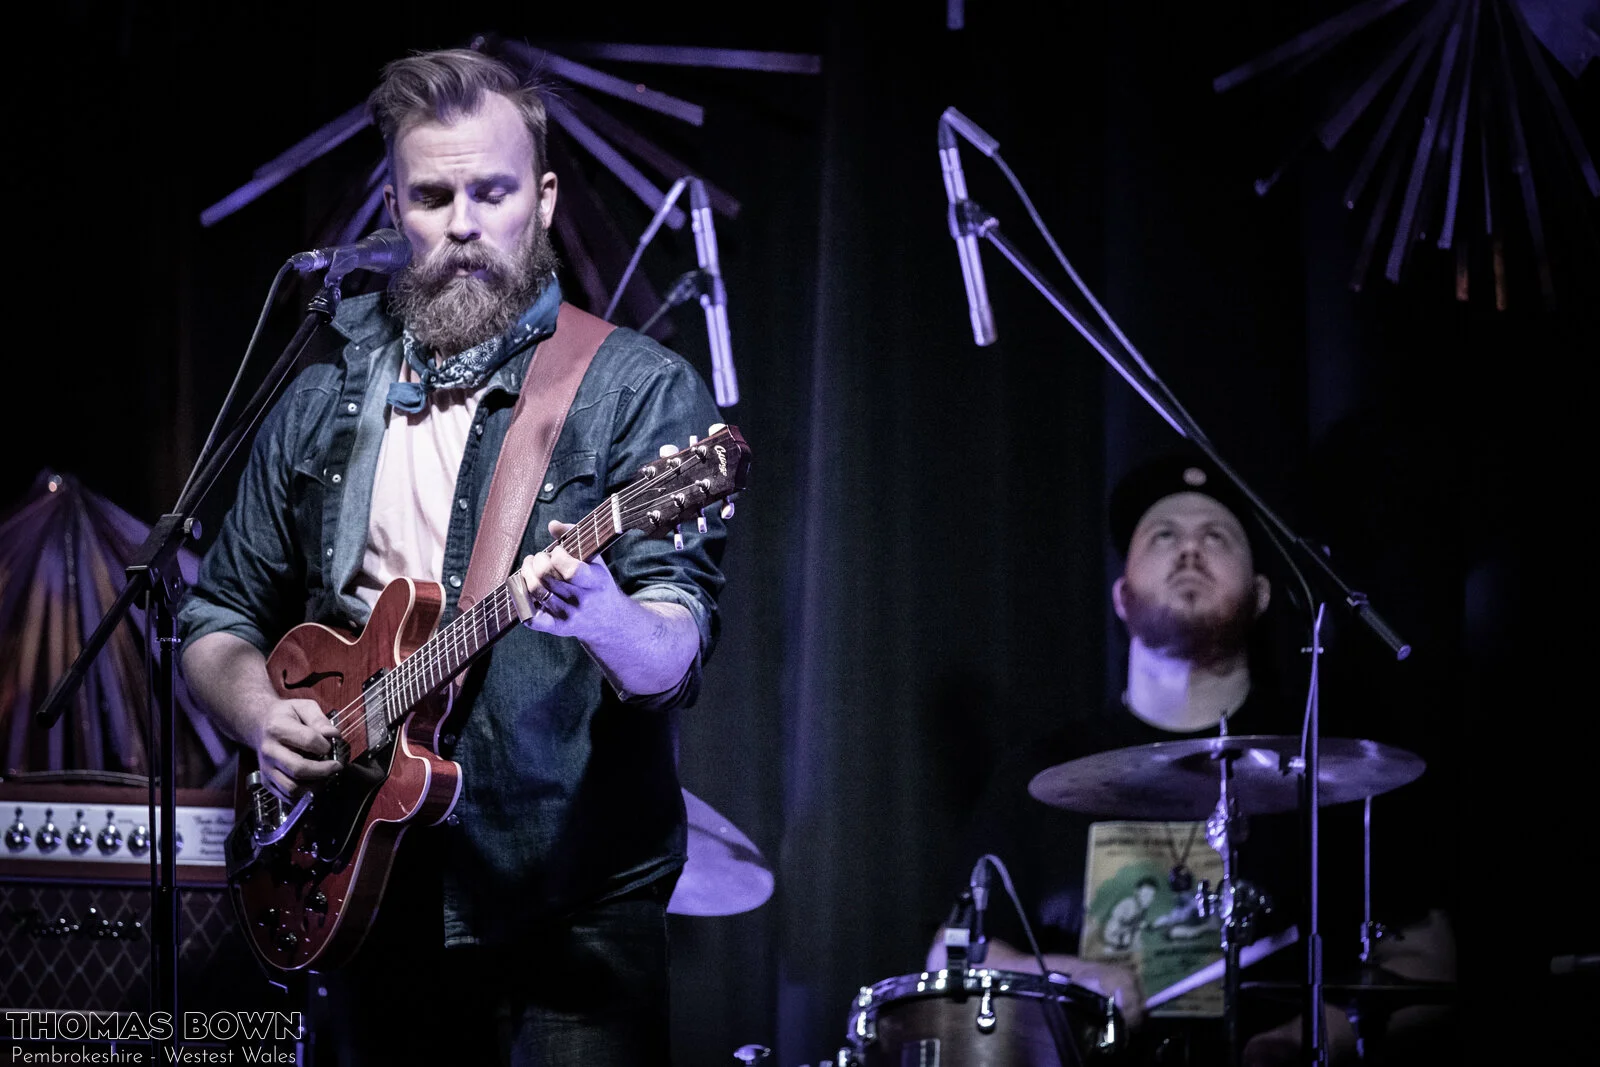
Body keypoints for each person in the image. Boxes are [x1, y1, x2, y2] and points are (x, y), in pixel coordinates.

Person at [177, 48, 728, 1065]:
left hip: (569, 910)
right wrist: (261, 714)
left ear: (544, 197)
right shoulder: (320, 388)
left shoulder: (633, 391)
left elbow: (672, 659)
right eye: (432, 195)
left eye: (492, 191)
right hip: (360, 877)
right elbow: (214, 620)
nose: (463, 223)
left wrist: (604, 613)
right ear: (394, 204)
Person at [927, 453, 1456, 1065]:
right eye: (1164, 536)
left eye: (1217, 537)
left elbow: (1430, 958)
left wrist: (1308, 1038)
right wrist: (1070, 984)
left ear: (1261, 595)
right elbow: (951, 959)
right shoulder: (1040, 772)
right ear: (1122, 596)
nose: (1189, 551)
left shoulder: (1335, 764)